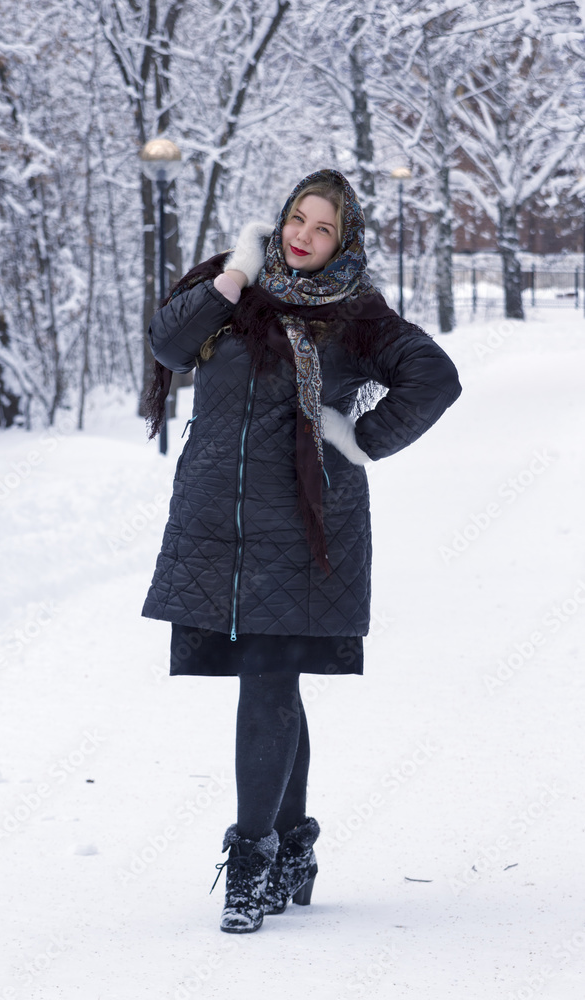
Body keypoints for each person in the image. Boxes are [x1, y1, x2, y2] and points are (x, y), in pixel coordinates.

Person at [142, 169, 462, 934]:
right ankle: (291, 847)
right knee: (270, 673)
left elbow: (434, 379)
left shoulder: (356, 315)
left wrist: (359, 439)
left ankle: (250, 862)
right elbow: (168, 344)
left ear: (343, 240)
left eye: (323, 228)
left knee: (266, 674)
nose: (305, 237)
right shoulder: (234, 291)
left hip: (306, 526)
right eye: (297, 219)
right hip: (222, 519)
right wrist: (234, 274)